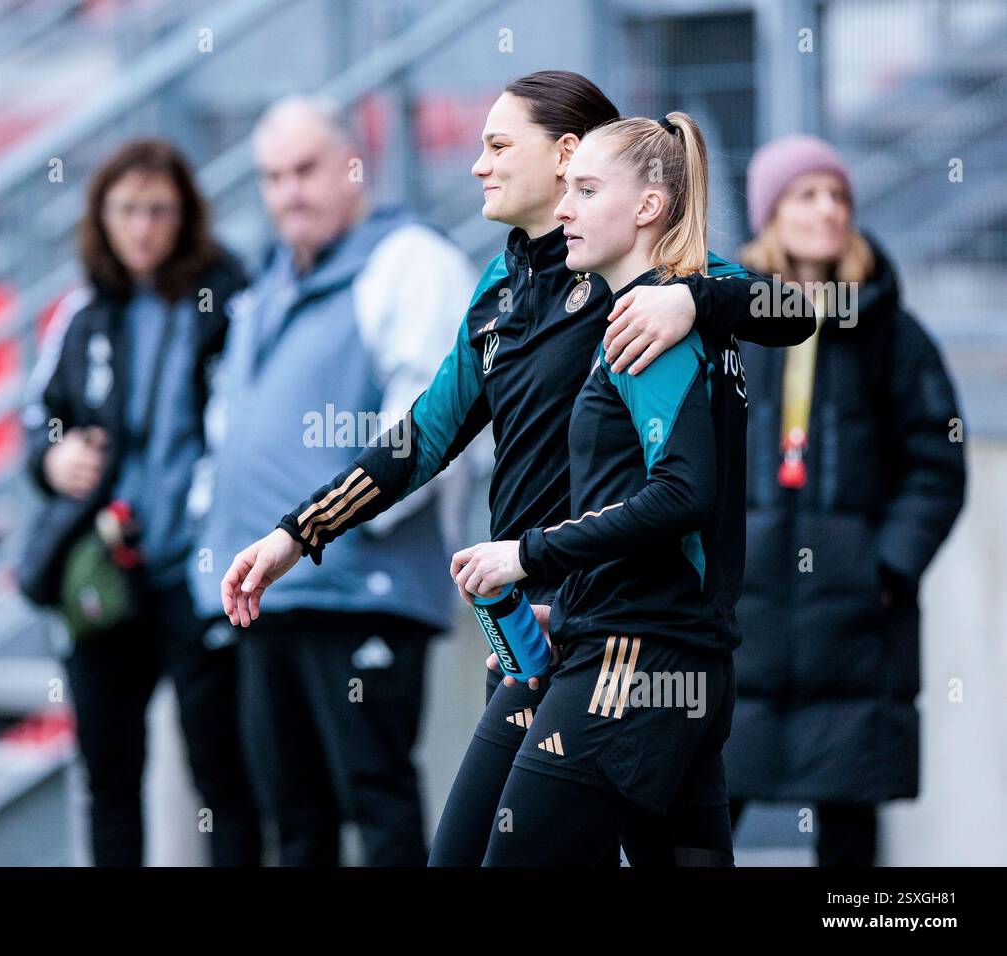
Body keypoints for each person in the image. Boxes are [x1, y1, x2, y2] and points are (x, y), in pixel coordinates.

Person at [219, 71, 814, 865]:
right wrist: (299, 534)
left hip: (631, 628)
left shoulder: (641, 273)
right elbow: (421, 439)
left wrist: (696, 301)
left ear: (566, 156)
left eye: (499, 145)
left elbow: (794, 311)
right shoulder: (503, 287)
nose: (478, 164)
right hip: (547, 628)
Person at [445, 111, 747, 866]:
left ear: (648, 207)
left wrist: (529, 554)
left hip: (635, 658)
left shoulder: (653, 324)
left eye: (585, 189)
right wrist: (569, 601)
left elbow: (682, 496)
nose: (566, 207)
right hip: (644, 645)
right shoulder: (654, 311)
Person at [187, 95, 477, 866]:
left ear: (355, 165)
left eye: (306, 169)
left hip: (361, 591)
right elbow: (231, 428)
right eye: (272, 176)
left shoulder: (409, 260)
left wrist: (340, 529)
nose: (288, 191)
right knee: (294, 815)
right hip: (270, 594)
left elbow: (426, 427)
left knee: (373, 799)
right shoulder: (268, 283)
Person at [724, 135, 966, 866]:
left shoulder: (892, 331)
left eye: (839, 196)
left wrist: (884, 569)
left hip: (857, 628)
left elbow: (938, 462)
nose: (828, 210)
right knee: (700, 817)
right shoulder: (728, 319)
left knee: (850, 841)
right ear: (771, 213)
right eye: (806, 194)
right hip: (745, 620)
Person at [18, 139, 260, 866]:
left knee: (224, 776)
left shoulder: (233, 296)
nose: (143, 227)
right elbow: (40, 417)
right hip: (108, 569)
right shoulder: (85, 310)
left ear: (184, 216)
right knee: (109, 776)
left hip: (202, 572)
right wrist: (52, 455)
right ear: (102, 217)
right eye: (127, 210)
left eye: (159, 209)